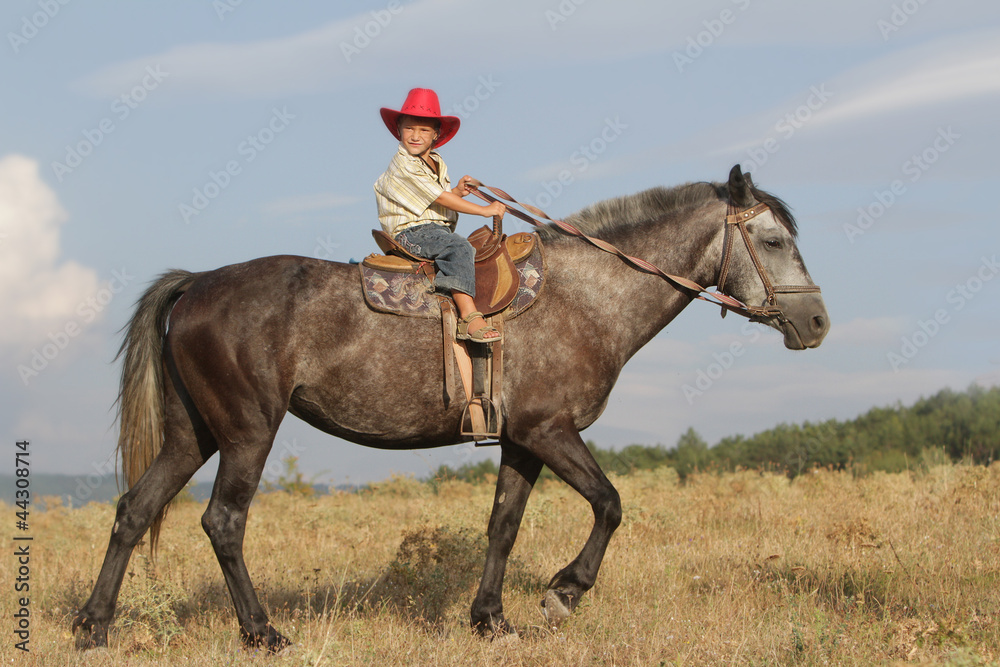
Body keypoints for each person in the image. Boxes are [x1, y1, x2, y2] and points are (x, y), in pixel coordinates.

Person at [374, 88, 505, 343]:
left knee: (459, 242)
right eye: (409, 128)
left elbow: (440, 197)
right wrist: (484, 210)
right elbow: (440, 199)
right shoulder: (403, 165)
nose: (415, 136)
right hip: (410, 232)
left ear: (435, 134)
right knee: (458, 246)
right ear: (399, 130)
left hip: (434, 229)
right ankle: (468, 317)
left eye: (424, 130)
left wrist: (458, 191)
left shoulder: (436, 161)